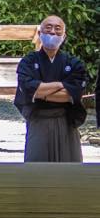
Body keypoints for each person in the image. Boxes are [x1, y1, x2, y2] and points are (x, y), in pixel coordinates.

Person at [14, 15, 87, 162]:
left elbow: (74, 93)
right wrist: (62, 84)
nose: (53, 32)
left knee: (69, 171)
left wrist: (41, 92)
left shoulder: (74, 63)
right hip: (38, 120)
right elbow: (29, 89)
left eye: (57, 29)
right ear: (39, 34)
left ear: (64, 36)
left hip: (66, 120)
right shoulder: (28, 61)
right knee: (37, 172)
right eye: (48, 27)